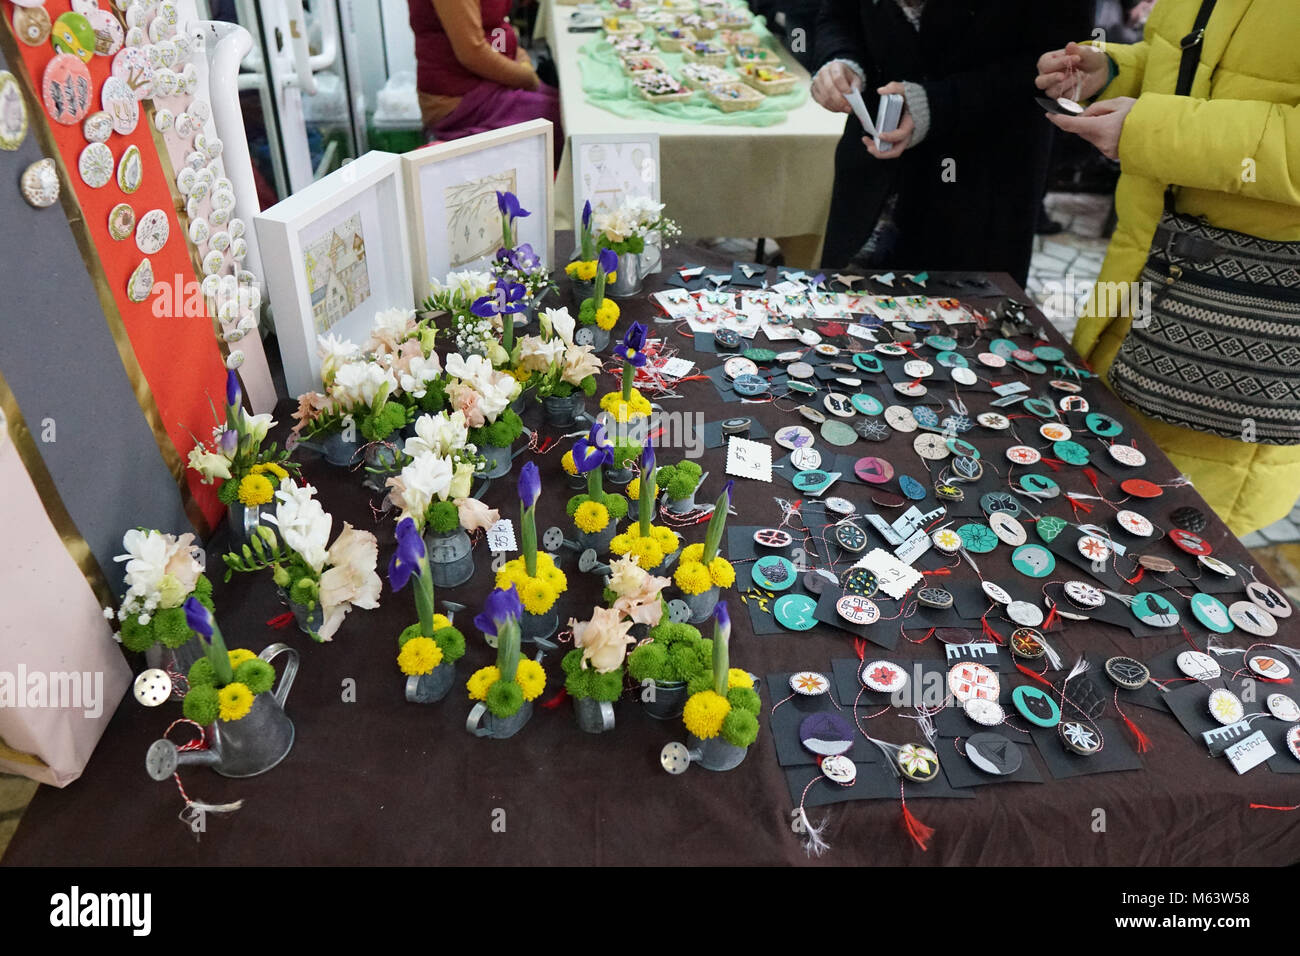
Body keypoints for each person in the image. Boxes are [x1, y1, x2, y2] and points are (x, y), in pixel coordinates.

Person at [1038, 4, 1300, 535]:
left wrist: (1153, 128)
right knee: (1103, 515)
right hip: (1145, 289)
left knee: (1178, 551)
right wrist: (1114, 70)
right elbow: (1204, 65)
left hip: (1242, 326)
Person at [810, 1, 1091, 283]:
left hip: (982, 181)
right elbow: (837, 15)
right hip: (873, 169)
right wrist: (839, 60)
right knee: (842, 309)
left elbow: (1058, 65)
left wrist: (939, 102)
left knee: (963, 316)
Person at [408, 0, 561, 151]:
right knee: (563, 122)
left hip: (492, 81)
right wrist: (527, 78)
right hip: (461, 100)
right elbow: (473, 54)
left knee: (565, 105)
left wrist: (520, 58)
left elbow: (497, 27)